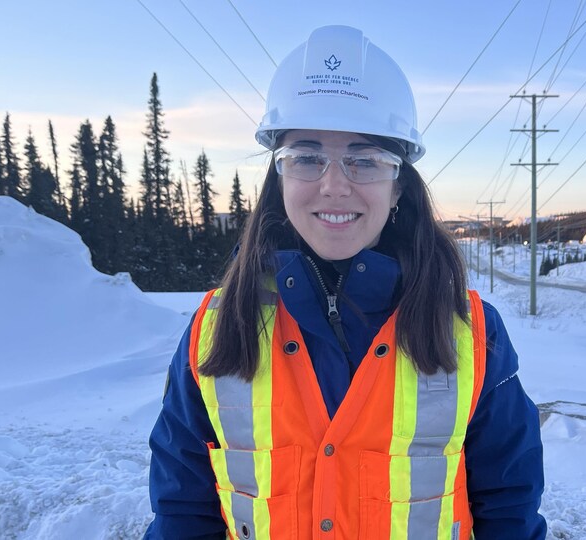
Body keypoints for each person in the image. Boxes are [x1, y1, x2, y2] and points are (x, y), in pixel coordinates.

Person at [143, 25, 546, 539]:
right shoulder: (216, 330)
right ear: (280, 177)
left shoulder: (473, 336)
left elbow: (510, 510)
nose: (334, 185)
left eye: (365, 160)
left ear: (398, 185)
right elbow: (183, 511)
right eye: (307, 157)